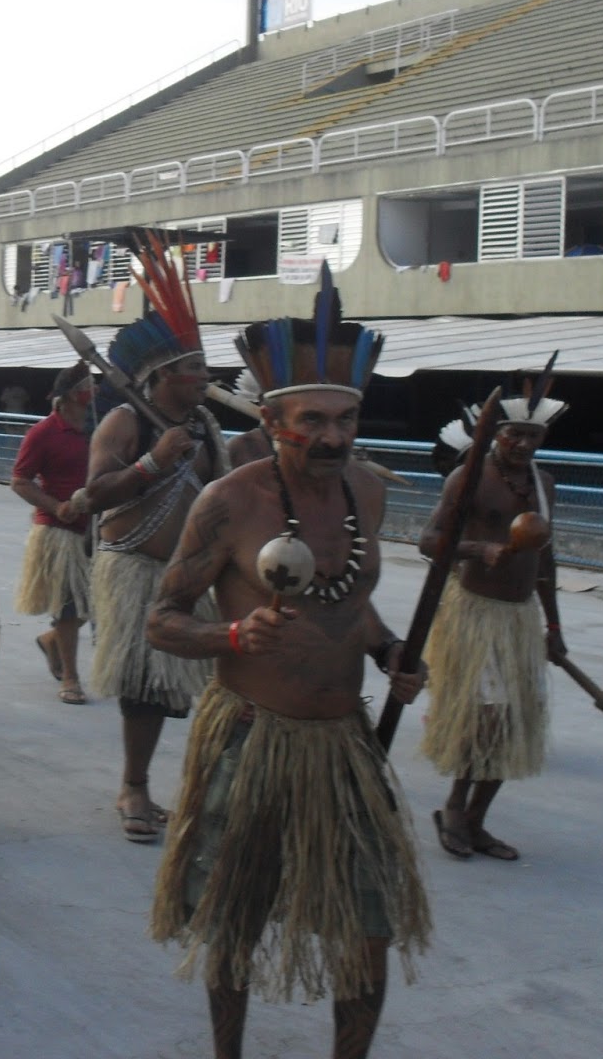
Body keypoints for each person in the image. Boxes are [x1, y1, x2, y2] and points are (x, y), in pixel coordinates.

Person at [145, 277, 430, 1059]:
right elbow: (161, 621)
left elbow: (352, 603)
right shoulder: (229, 503)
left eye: (346, 419)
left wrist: (390, 652)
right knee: (232, 916)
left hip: (344, 742)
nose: (333, 437)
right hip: (251, 737)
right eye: (313, 422)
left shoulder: (367, 492)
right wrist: (233, 638)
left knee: (368, 922)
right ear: (272, 422)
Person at [84, 234, 228, 842]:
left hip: (188, 576)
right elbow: (93, 495)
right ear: (163, 375)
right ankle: (134, 787)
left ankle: (179, 786)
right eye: (194, 367)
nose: (206, 376)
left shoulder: (207, 427)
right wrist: (152, 464)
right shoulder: (124, 421)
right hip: (136, 570)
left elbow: (225, 493)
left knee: (179, 695)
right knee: (145, 690)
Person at [418, 382, 569, 863]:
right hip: (476, 613)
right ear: (496, 433)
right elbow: (428, 540)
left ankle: (477, 823)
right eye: (514, 435)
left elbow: (546, 561)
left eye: (533, 435)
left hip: (520, 618)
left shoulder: (543, 485)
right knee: (485, 720)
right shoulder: (468, 479)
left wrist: (555, 628)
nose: (523, 445)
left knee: (512, 724)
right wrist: (478, 549)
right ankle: (454, 811)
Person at [11, 360, 95, 705]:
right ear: (74, 395)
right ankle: (71, 678)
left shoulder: (97, 428)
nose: (96, 391)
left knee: (94, 604)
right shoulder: (44, 432)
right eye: (90, 385)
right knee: (69, 606)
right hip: (59, 532)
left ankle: (52, 641)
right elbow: (19, 481)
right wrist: (54, 505)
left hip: (94, 530)